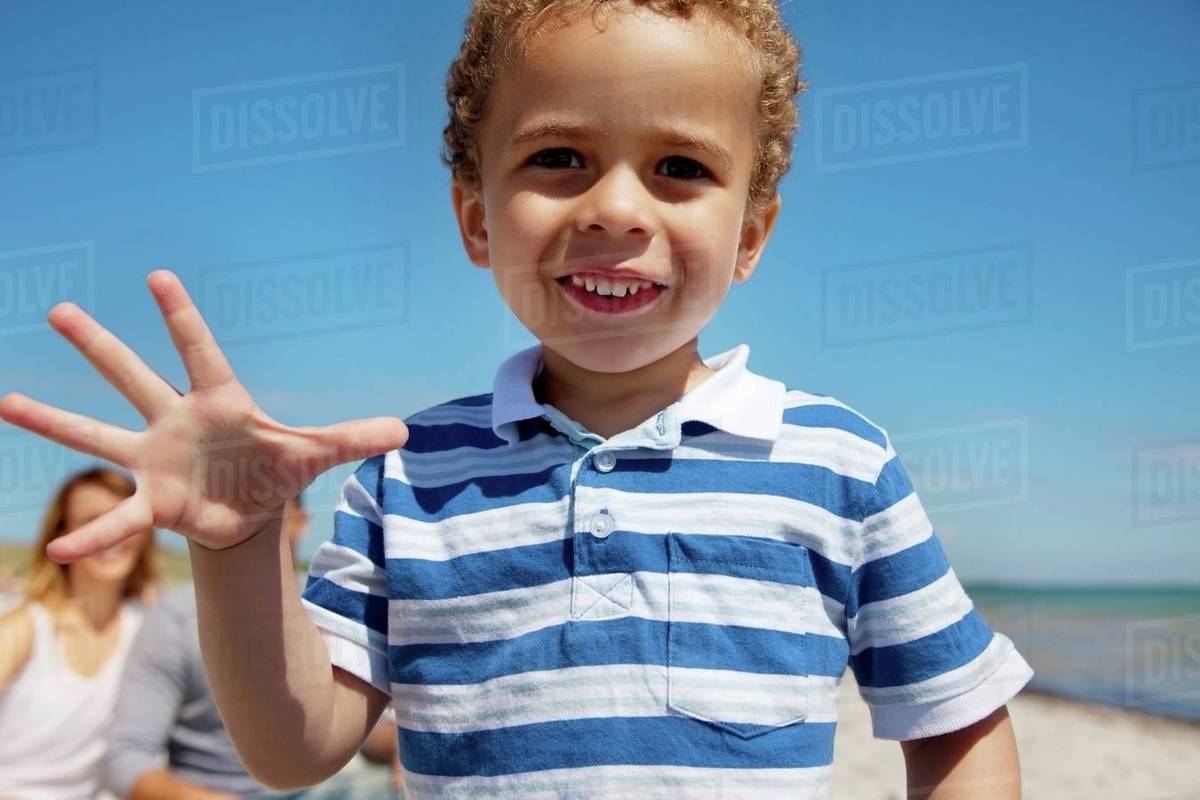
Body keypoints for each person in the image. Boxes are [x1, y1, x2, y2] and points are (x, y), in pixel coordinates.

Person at [0, 1, 1036, 797]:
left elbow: (954, 719)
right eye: (558, 158)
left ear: (752, 232)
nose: (615, 208)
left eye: (680, 166)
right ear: (476, 218)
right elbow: (294, 746)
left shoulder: (837, 461)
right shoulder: (408, 474)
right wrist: (233, 549)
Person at [104, 493, 403, 800]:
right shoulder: (174, 619)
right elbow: (127, 759)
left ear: (302, 522)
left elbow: (365, 732)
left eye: (271, 502)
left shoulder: (333, 609)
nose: (252, 511)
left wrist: (405, 743)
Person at [0, 467, 158, 800]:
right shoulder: (25, 627)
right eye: (91, 520)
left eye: (123, 520)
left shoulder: (147, 629)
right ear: (62, 534)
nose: (112, 534)